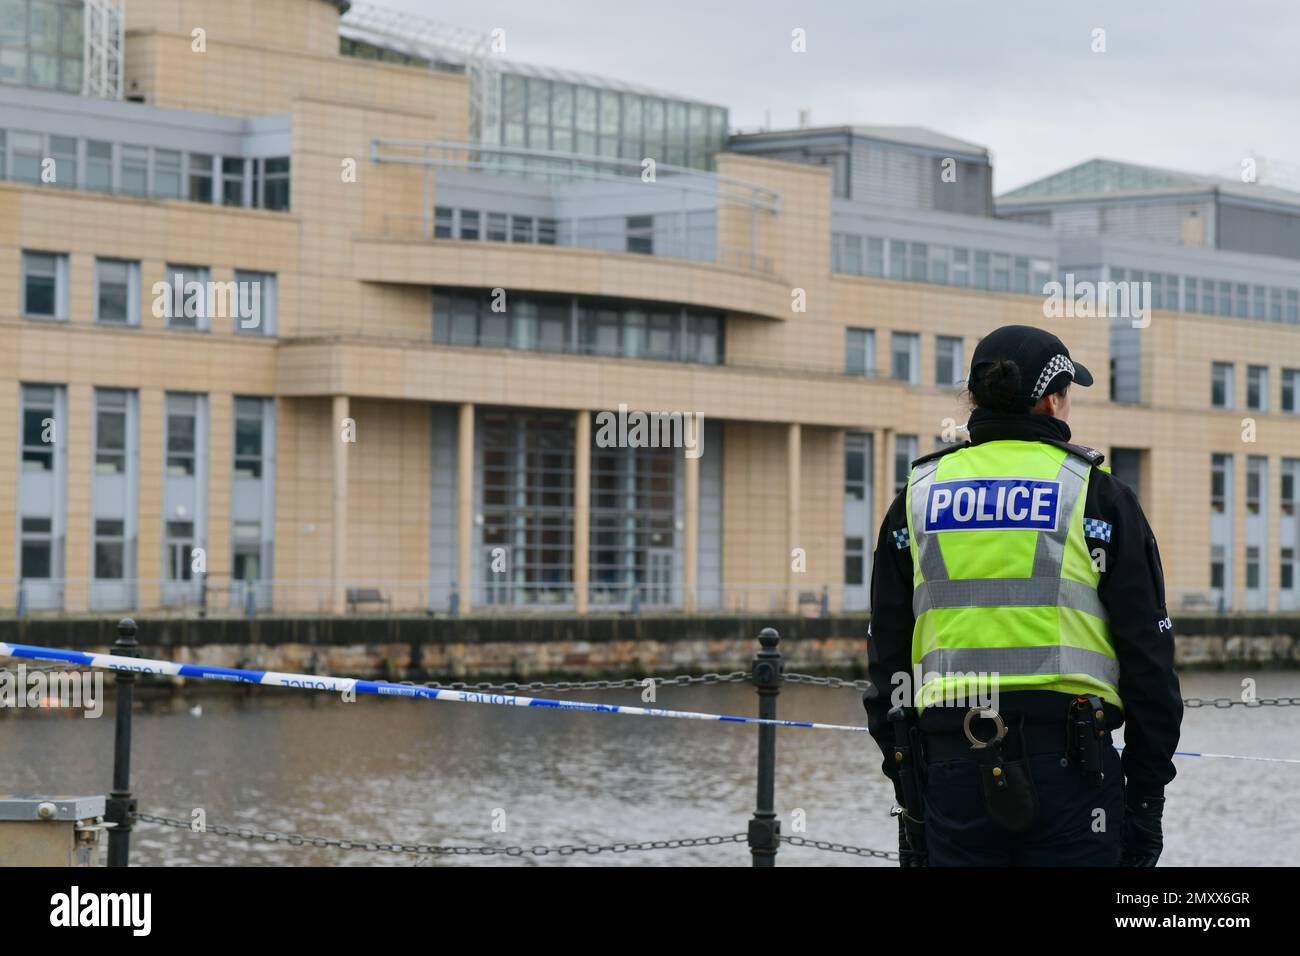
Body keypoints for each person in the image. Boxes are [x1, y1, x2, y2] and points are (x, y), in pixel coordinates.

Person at [864, 324, 1183, 867]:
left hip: (951, 770)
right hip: (1074, 773)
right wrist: (1146, 798)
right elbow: (1148, 660)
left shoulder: (916, 497)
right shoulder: (1095, 495)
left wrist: (908, 783)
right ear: (1052, 398)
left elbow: (888, 656)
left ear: (975, 397)